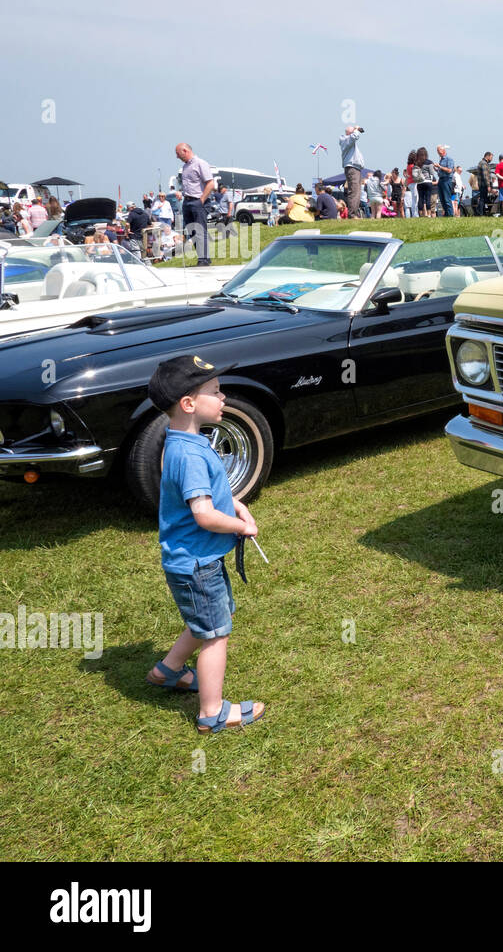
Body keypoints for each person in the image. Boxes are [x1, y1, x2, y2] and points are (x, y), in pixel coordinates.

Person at [146, 354, 264, 733]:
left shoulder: (183, 441)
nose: (223, 397)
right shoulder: (189, 454)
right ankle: (211, 712)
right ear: (189, 404)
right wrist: (239, 526)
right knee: (216, 634)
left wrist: (236, 504)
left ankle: (168, 671)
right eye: (215, 392)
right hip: (197, 563)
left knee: (208, 620)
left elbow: (205, 498)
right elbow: (204, 515)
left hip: (195, 561)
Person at [175, 142, 216, 265]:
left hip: (198, 201)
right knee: (192, 231)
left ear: (185, 151)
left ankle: (203, 259)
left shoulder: (200, 164)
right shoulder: (185, 167)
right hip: (187, 201)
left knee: (199, 230)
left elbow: (210, 183)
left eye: (178, 154)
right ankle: (203, 257)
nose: (177, 157)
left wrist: (201, 200)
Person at [339, 125, 365, 218]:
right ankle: (352, 214)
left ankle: (354, 213)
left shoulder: (349, 141)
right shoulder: (345, 139)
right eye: (353, 130)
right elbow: (354, 136)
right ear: (350, 132)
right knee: (354, 191)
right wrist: (357, 129)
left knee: (357, 191)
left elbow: (354, 137)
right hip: (352, 168)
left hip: (355, 168)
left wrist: (356, 130)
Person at [437, 145, 458, 217]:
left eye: (439, 151)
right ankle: (446, 215)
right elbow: (442, 170)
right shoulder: (441, 159)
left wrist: (439, 166)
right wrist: (436, 169)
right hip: (441, 180)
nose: (438, 153)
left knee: (447, 199)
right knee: (442, 199)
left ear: (443, 151)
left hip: (447, 180)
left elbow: (449, 170)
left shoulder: (449, 159)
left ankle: (450, 215)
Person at [475, 152, 495, 216]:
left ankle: (482, 212)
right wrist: (488, 185)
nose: (491, 159)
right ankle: (480, 213)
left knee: (483, 199)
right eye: (491, 157)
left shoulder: (482, 163)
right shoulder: (483, 163)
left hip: (482, 184)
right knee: (482, 199)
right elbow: (485, 175)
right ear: (488, 156)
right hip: (484, 185)